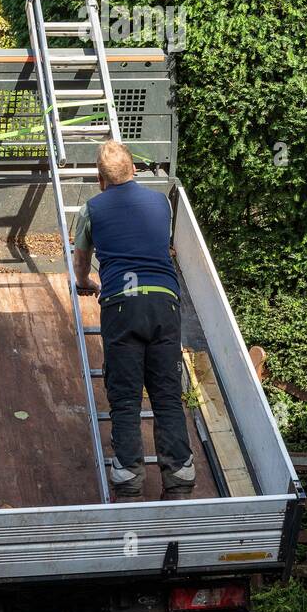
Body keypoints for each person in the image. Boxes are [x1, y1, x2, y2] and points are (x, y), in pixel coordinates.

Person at [72, 139, 196, 501]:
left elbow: (81, 258)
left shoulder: (92, 209)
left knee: (125, 398)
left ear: (100, 179)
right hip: (164, 303)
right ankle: (179, 480)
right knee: (167, 395)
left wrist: (84, 282)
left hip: (121, 306)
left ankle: (128, 485)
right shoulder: (161, 203)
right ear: (135, 170)